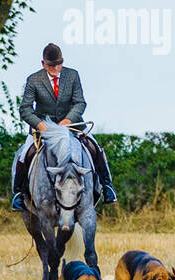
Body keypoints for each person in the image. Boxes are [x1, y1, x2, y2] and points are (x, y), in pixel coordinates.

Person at [11, 43, 117, 211]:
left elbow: (80, 102)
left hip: (72, 124)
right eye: (51, 65)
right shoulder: (34, 80)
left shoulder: (72, 75)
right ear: (43, 64)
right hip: (44, 128)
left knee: (95, 147)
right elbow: (25, 108)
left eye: (58, 64)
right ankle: (18, 193)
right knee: (24, 154)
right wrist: (40, 124)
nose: (55, 68)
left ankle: (107, 186)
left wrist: (67, 120)